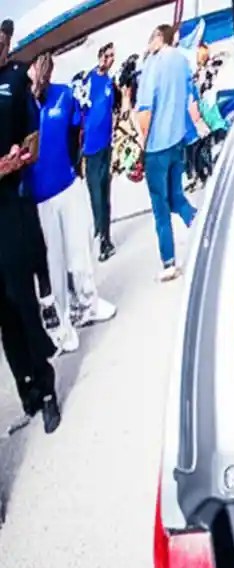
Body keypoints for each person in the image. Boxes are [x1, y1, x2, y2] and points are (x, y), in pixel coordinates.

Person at [25, 53, 118, 355]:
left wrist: (74, 170)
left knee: (79, 251)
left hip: (67, 187)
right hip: (39, 200)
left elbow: (75, 133)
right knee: (54, 264)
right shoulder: (19, 107)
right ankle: (62, 327)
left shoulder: (64, 94)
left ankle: (88, 304)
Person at [0, 25, 61, 434]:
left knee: (22, 299)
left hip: (11, 207)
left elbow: (32, 135)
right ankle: (27, 394)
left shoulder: (17, 77)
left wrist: (22, 155)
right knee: (3, 313)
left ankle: (47, 386)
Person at [134, 24, 205, 282]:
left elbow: (145, 110)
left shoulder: (152, 64)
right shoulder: (181, 61)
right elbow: (191, 99)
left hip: (156, 147)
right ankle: (201, 226)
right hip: (178, 141)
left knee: (160, 207)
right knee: (176, 195)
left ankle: (169, 262)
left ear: (157, 37)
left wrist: (141, 144)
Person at [81, 42, 118, 262]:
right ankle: (99, 237)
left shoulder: (109, 83)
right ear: (99, 56)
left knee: (105, 193)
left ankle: (107, 237)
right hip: (91, 148)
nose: (110, 59)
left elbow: (111, 109)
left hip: (106, 146)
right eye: (107, 55)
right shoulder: (88, 79)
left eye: (112, 56)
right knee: (96, 195)